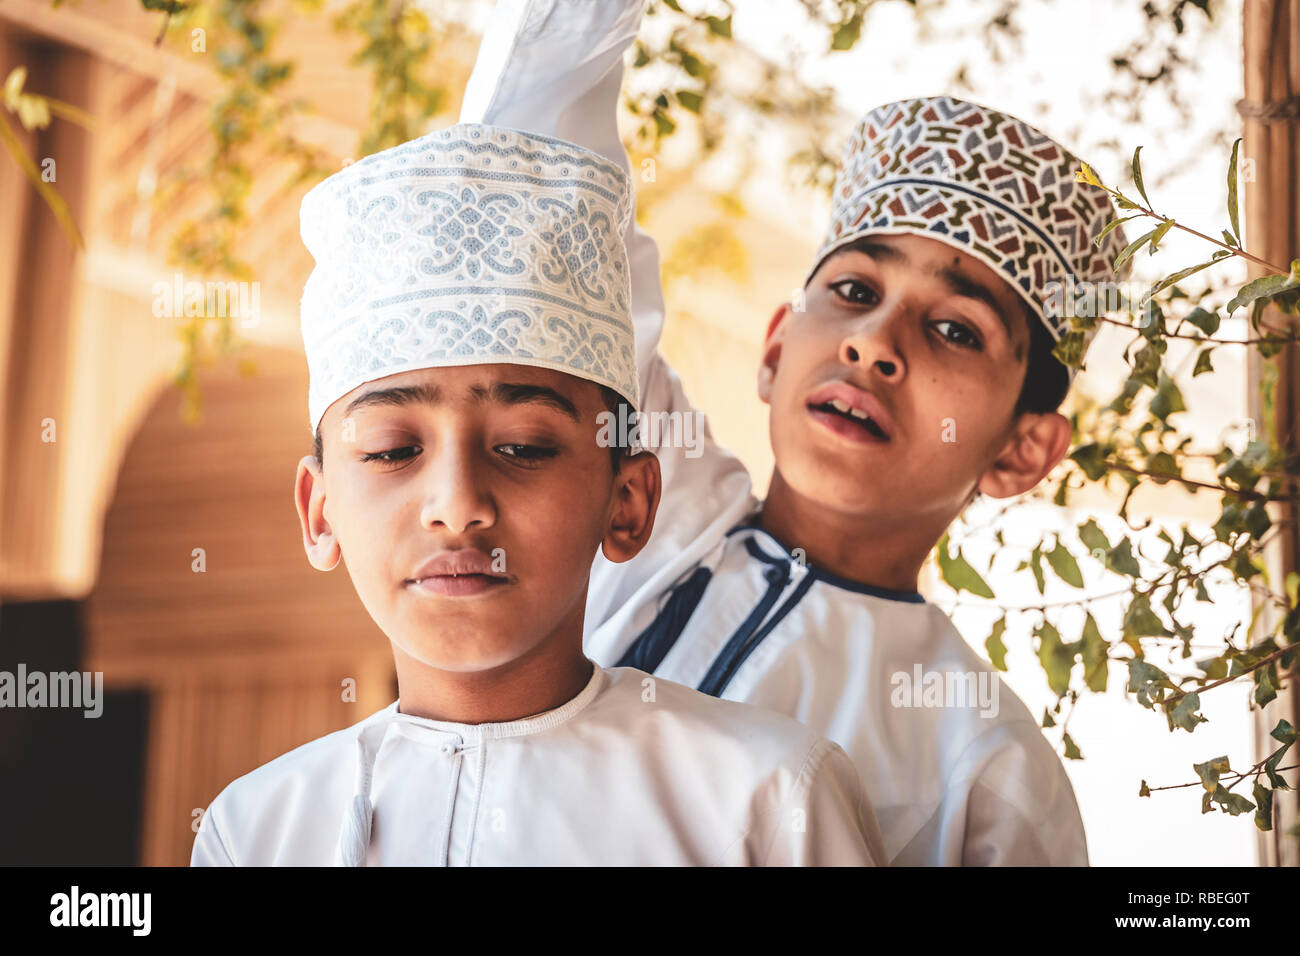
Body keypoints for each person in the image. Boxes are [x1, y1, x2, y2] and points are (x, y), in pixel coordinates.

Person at [459, 0, 1135, 865]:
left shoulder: (988, 766)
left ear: (1021, 448)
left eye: (957, 330)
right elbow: (540, 205)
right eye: (855, 290)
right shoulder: (636, 498)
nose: (874, 343)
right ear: (778, 347)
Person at [189, 122, 886, 866]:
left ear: (628, 502)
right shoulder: (259, 830)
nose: (456, 506)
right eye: (394, 450)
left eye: (523, 447)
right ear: (320, 512)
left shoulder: (767, 801)